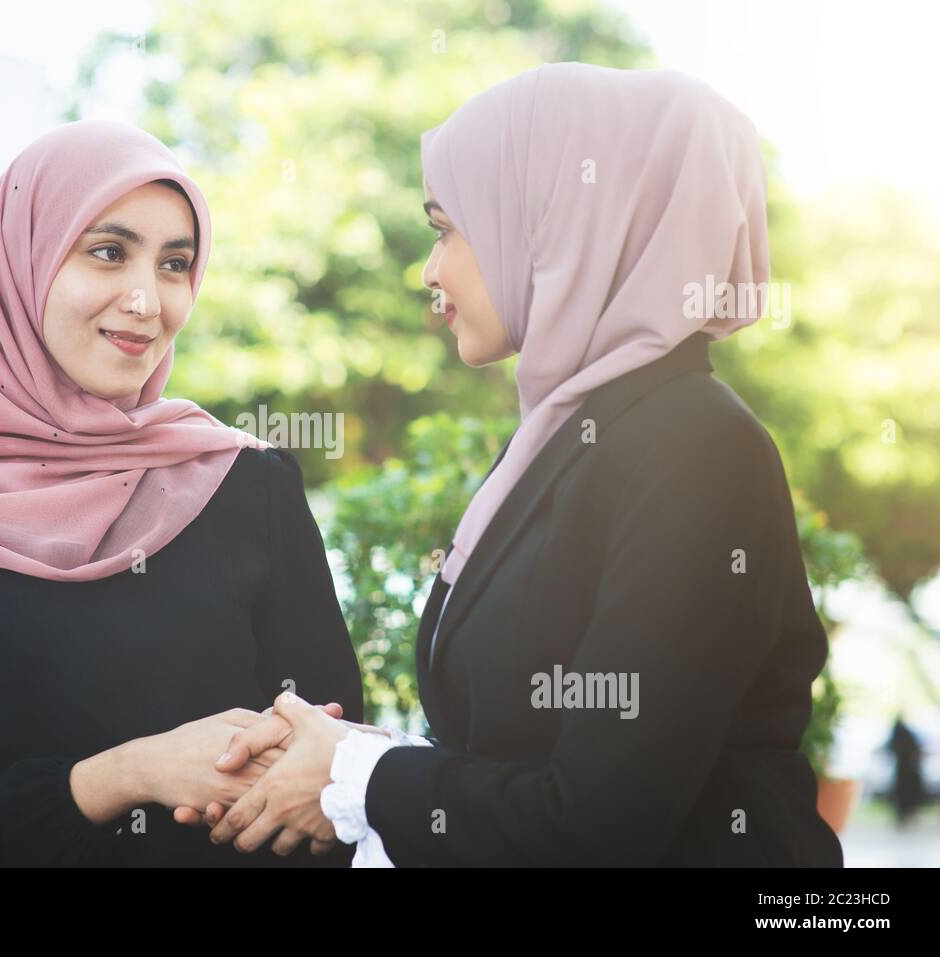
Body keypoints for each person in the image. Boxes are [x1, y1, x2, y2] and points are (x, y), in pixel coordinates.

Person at [199, 62, 845, 867]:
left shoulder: (696, 448)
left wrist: (359, 775)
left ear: (556, 221)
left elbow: (597, 822)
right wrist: (347, 756)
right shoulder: (571, 436)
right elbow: (521, 752)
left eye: (446, 228)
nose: (431, 272)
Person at [0, 120, 362, 866]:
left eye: (175, 264)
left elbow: (331, 779)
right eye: (107, 252)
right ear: (20, 265)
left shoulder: (251, 484)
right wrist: (131, 773)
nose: (147, 300)